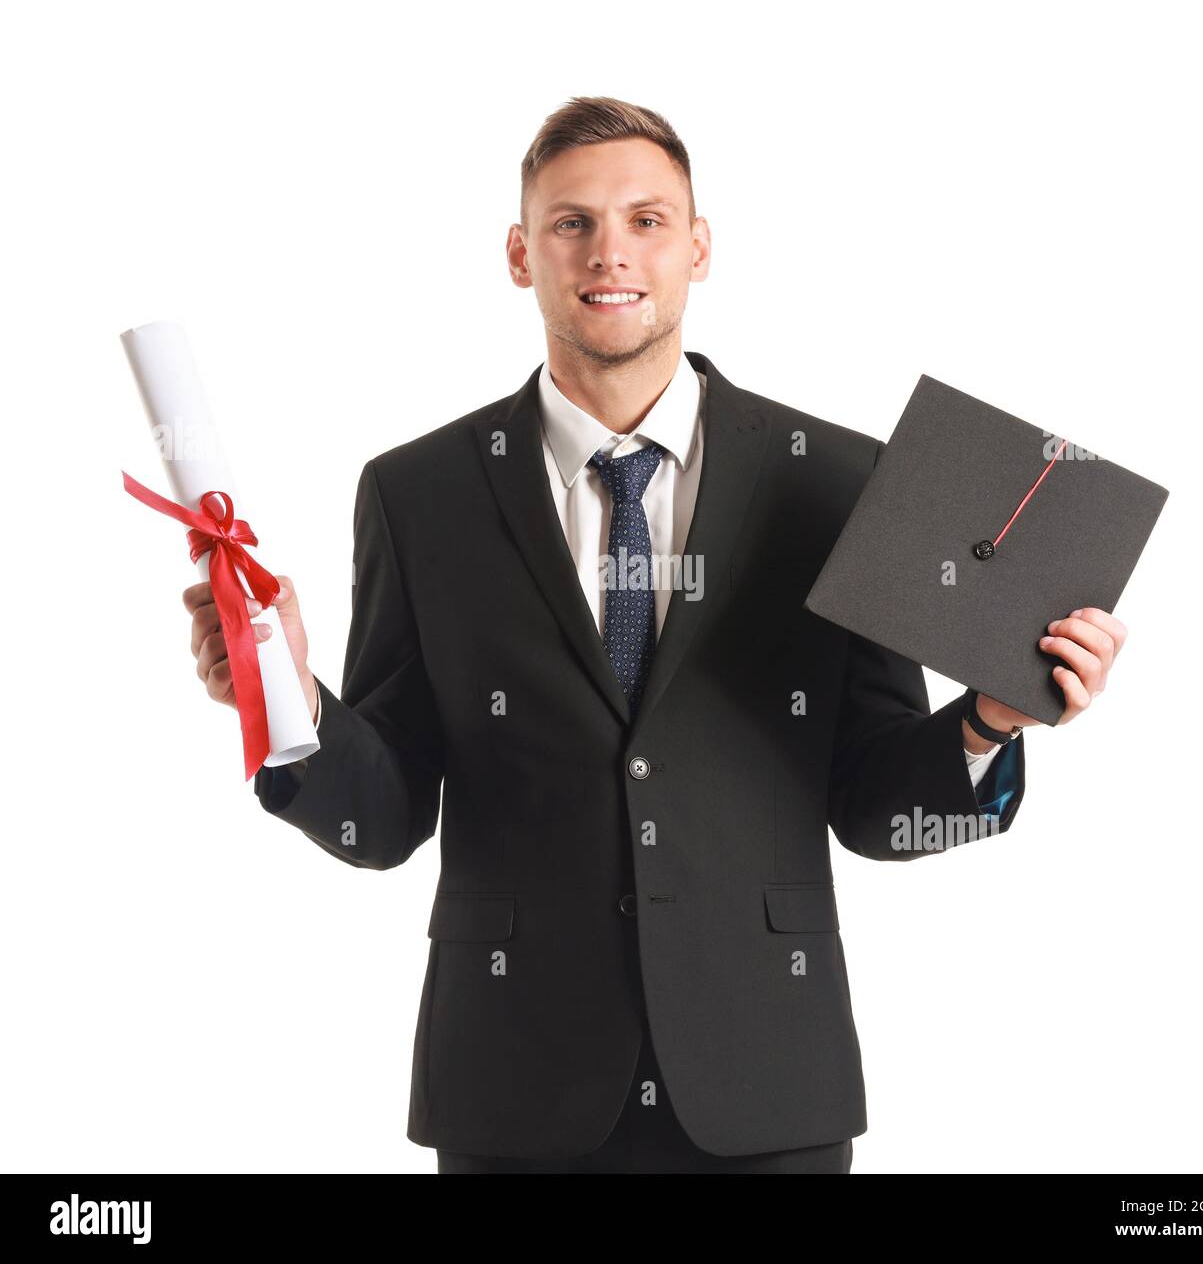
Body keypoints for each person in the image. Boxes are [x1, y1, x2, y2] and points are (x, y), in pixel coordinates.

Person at [183, 96, 1128, 1174]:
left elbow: (874, 808)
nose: (609, 252)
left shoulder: (838, 480)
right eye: (571, 222)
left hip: (767, 1086)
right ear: (518, 252)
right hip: (513, 1090)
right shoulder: (418, 493)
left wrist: (991, 717)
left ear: (698, 245)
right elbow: (388, 814)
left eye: (645, 219)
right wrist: (286, 699)